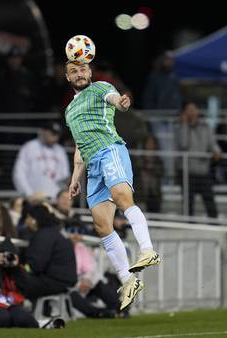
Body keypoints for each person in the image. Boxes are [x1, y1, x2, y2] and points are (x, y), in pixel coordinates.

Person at [64, 60, 160, 311]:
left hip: (109, 151)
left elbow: (114, 98)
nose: (79, 73)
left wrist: (122, 103)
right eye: (74, 71)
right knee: (101, 225)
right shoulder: (70, 110)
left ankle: (148, 250)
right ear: (67, 77)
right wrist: (75, 178)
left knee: (121, 196)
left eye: (83, 69)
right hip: (92, 167)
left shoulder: (100, 88)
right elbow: (79, 145)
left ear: (89, 72)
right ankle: (128, 280)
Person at [16, 202, 76, 299]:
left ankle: (10, 309)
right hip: (64, 280)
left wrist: (21, 268)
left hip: (53, 281)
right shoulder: (56, 231)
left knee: (13, 280)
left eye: (28, 218)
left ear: (34, 220)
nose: (26, 222)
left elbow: (36, 265)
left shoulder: (43, 235)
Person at [176, 101, 221, 218]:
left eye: (193, 109)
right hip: (187, 173)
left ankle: (215, 225)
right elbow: (183, 144)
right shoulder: (180, 127)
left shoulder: (206, 127)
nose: (191, 112)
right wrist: (185, 124)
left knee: (210, 202)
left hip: (203, 171)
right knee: (188, 204)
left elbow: (212, 143)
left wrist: (217, 151)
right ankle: (188, 226)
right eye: (188, 110)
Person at [0, 237, 38, 328]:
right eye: (3, 256)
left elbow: (26, 288)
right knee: (3, 318)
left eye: (9, 256)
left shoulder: (17, 269)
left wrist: (17, 267)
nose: (6, 259)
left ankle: (14, 321)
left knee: (26, 320)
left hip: (14, 305)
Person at [13, 121, 70, 201]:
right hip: (33, 198)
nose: (55, 136)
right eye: (52, 133)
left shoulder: (60, 150)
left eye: (57, 134)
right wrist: (28, 194)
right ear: (43, 131)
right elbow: (19, 174)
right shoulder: (29, 147)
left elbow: (65, 175)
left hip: (55, 199)